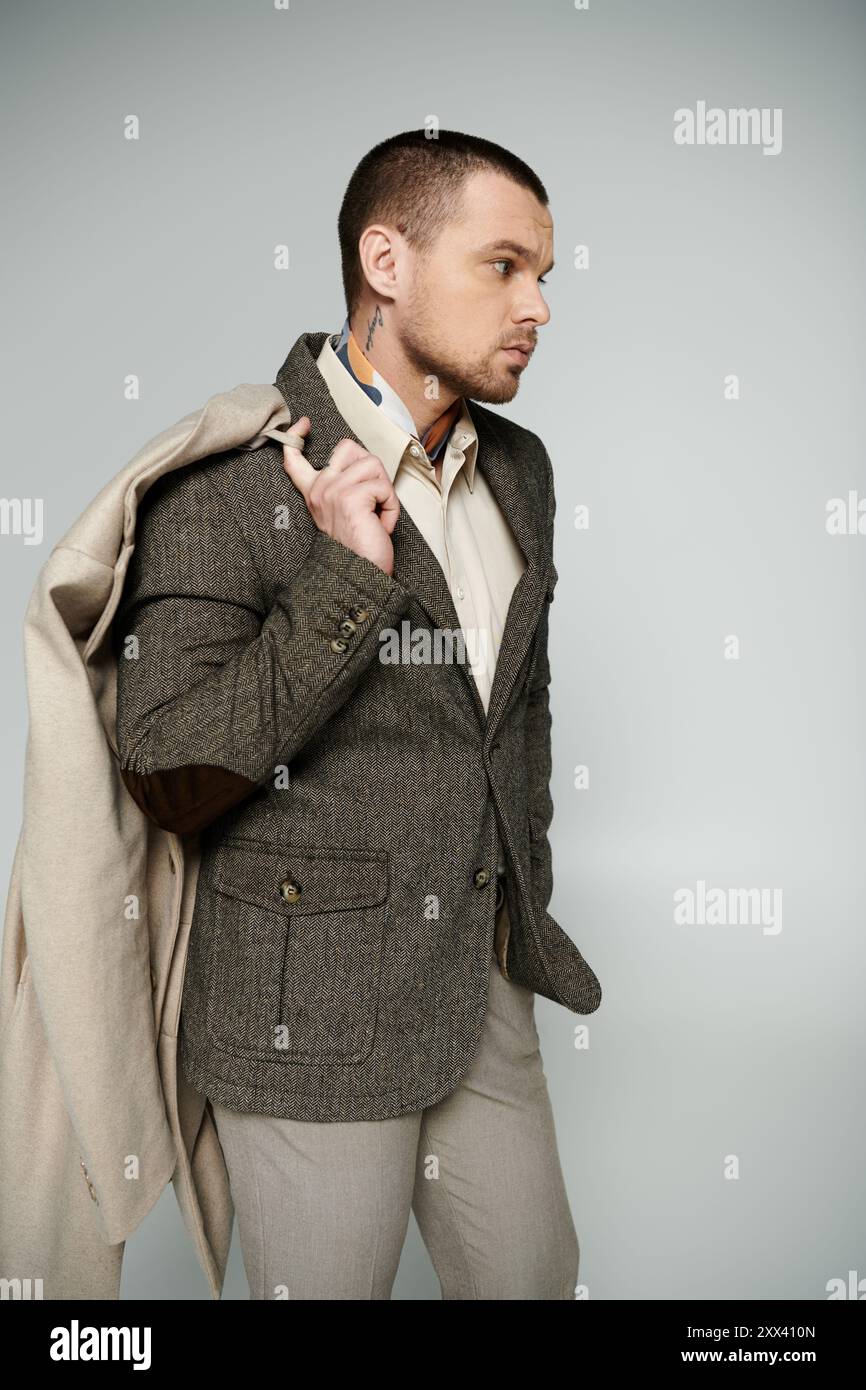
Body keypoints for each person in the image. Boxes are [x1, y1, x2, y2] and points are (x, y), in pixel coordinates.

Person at [112, 128, 601, 1299]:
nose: (537, 304)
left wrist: (512, 891)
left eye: (545, 274)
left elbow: (511, 715)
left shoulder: (519, 470)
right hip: (308, 1011)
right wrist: (343, 579)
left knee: (534, 1281)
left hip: (478, 982)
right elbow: (165, 763)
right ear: (385, 260)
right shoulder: (226, 479)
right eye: (503, 266)